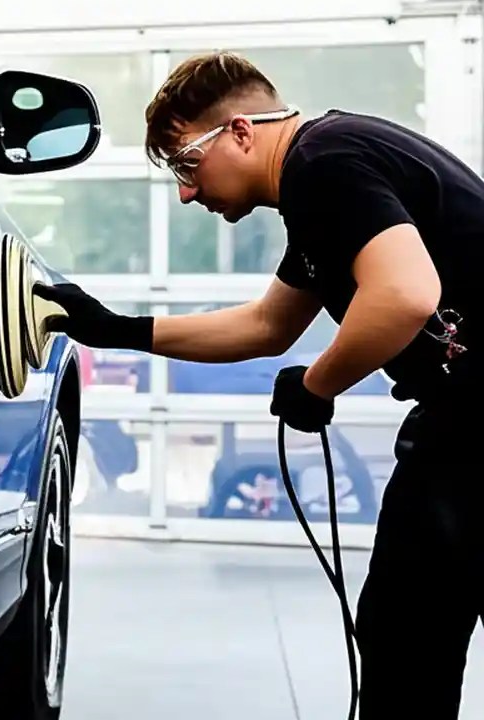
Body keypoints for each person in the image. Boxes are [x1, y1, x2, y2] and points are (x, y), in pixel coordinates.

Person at [38, 50, 483, 718]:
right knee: (405, 627)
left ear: (242, 132)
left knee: (408, 630)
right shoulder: (323, 182)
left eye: (188, 164)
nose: (187, 193)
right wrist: (120, 327)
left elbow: (403, 294)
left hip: (474, 423)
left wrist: (318, 385)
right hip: (461, 417)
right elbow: (268, 324)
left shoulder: (325, 163)